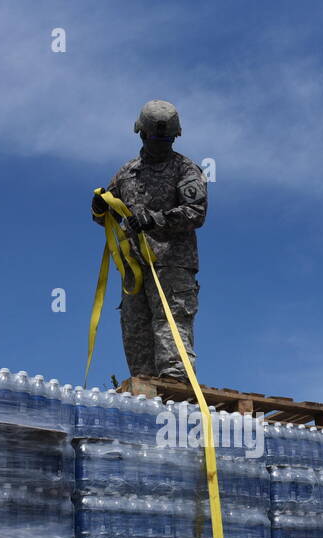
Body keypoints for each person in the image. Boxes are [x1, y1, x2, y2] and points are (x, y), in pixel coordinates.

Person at [91, 99, 207, 383]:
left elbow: (196, 213)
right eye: (153, 137)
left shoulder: (185, 170)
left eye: (164, 138)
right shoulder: (128, 172)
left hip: (172, 264)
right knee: (135, 329)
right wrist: (99, 207)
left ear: (174, 137)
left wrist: (154, 219)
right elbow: (105, 217)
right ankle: (145, 388)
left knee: (170, 323)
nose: (158, 143)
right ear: (141, 133)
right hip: (135, 269)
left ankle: (175, 385)